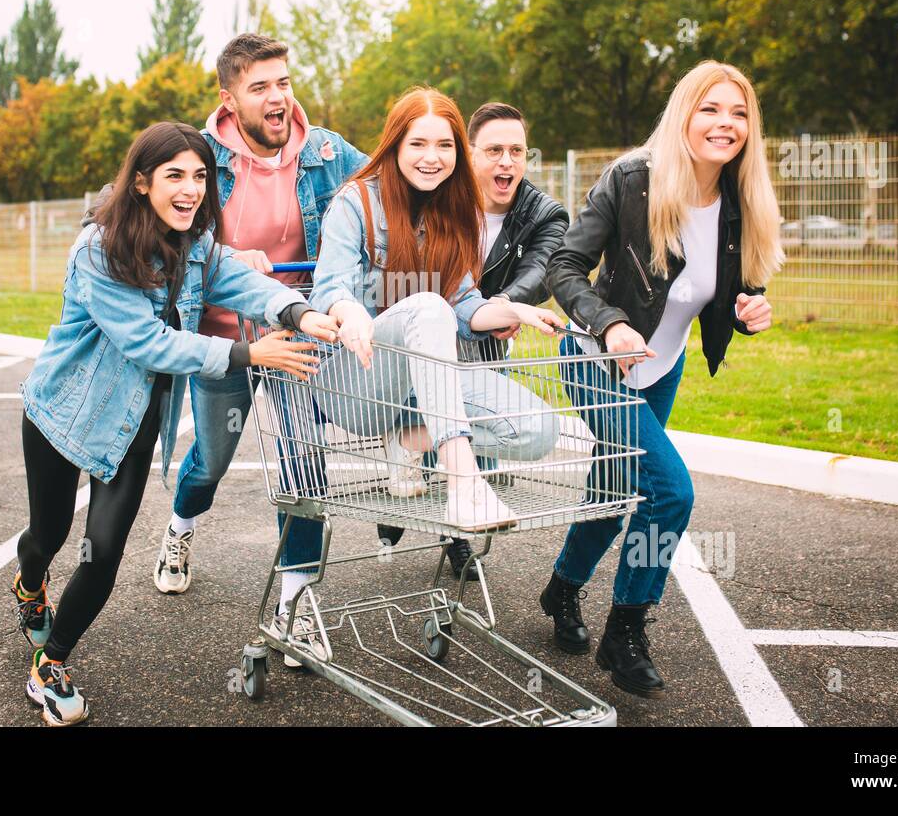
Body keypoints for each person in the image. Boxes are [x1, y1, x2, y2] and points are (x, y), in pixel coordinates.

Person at [13, 122, 338, 725]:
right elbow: (148, 344)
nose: (190, 189)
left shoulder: (196, 246)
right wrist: (248, 354)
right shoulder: (98, 249)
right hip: (65, 414)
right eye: (174, 177)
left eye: (198, 177)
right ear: (141, 183)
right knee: (50, 535)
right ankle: (30, 584)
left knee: (103, 550)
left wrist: (298, 310)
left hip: (134, 427)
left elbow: (240, 281)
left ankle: (51, 663)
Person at [83, 34, 367, 625]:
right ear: (230, 97)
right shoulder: (196, 155)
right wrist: (228, 254)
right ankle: (182, 525)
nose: (276, 97)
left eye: (283, 82)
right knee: (211, 462)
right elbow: (121, 204)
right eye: (259, 86)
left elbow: (389, 194)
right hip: (220, 341)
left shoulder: (328, 152)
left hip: (298, 332)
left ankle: (296, 600)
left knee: (301, 459)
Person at [540, 60, 782, 699]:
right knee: (670, 491)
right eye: (710, 108)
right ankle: (627, 630)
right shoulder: (632, 180)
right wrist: (611, 323)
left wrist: (748, 308)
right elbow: (565, 265)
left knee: (618, 483)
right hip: (594, 361)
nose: (724, 124)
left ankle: (561, 590)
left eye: (738, 113)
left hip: (662, 367)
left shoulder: (739, 200)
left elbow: (727, 285)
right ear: (684, 113)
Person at [309, 87, 564, 532]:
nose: (433, 157)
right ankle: (464, 482)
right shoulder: (357, 203)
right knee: (427, 307)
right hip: (360, 383)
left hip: (429, 381)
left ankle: (410, 440)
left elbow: (466, 307)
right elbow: (330, 286)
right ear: (395, 146)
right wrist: (349, 313)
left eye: (444, 145)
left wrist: (515, 311)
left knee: (538, 429)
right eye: (419, 144)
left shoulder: (455, 212)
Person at [374, 102, 569, 573]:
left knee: (468, 433)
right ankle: (412, 486)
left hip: (482, 335)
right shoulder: (438, 199)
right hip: (428, 327)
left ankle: (452, 527)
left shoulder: (543, 214)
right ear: (470, 153)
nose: (507, 162)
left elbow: (542, 269)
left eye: (517, 151)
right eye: (495, 150)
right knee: (443, 416)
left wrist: (497, 308)